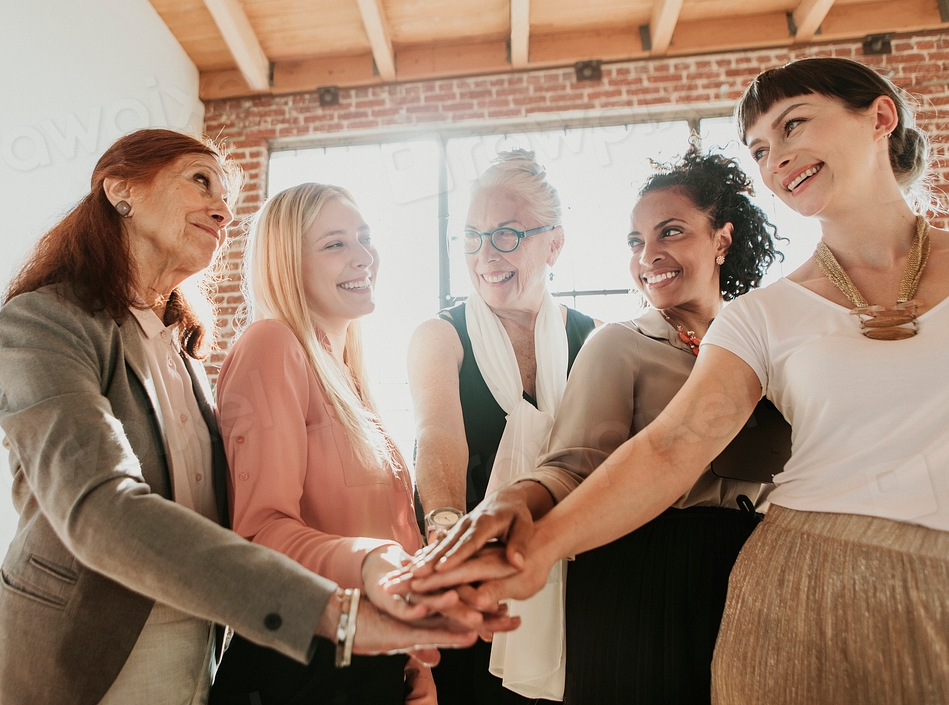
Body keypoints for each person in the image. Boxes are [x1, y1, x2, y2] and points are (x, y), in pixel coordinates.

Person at [396, 58, 949, 705]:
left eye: (794, 125)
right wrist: (532, 542)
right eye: (762, 149)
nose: (778, 158)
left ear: (881, 116)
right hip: (781, 585)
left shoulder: (737, 315)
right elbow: (665, 446)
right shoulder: (762, 318)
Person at [0, 129, 481, 705]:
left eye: (226, 193)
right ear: (121, 191)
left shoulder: (183, 354)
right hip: (76, 656)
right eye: (201, 180)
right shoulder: (43, 321)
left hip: (196, 650)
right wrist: (343, 612)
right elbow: (97, 507)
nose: (224, 207)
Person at [425, 148, 786, 703]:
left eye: (670, 232)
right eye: (636, 242)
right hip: (641, 580)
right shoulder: (618, 342)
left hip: (752, 580)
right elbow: (574, 465)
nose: (649, 255)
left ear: (722, 239)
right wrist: (503, 509)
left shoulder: (767, 347)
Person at [212, 182, 515, 704]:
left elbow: (392, 530)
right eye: (335, 245)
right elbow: (259, 533)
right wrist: (371, 561)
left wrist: (415, 657)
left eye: (365, 238)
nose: (364, 257)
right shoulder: (271, 344)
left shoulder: (348, 375)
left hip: (369, 661)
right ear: (288, 265)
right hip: (301, 664)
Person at [407, 150, 597, 704]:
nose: (485, 254)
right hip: (473, 592)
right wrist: (449, 554)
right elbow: (437, 435)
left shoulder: (597, 340)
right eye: (472, 236)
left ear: (554, 243)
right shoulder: (440, 336)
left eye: (508, 235)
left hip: (581, 595)